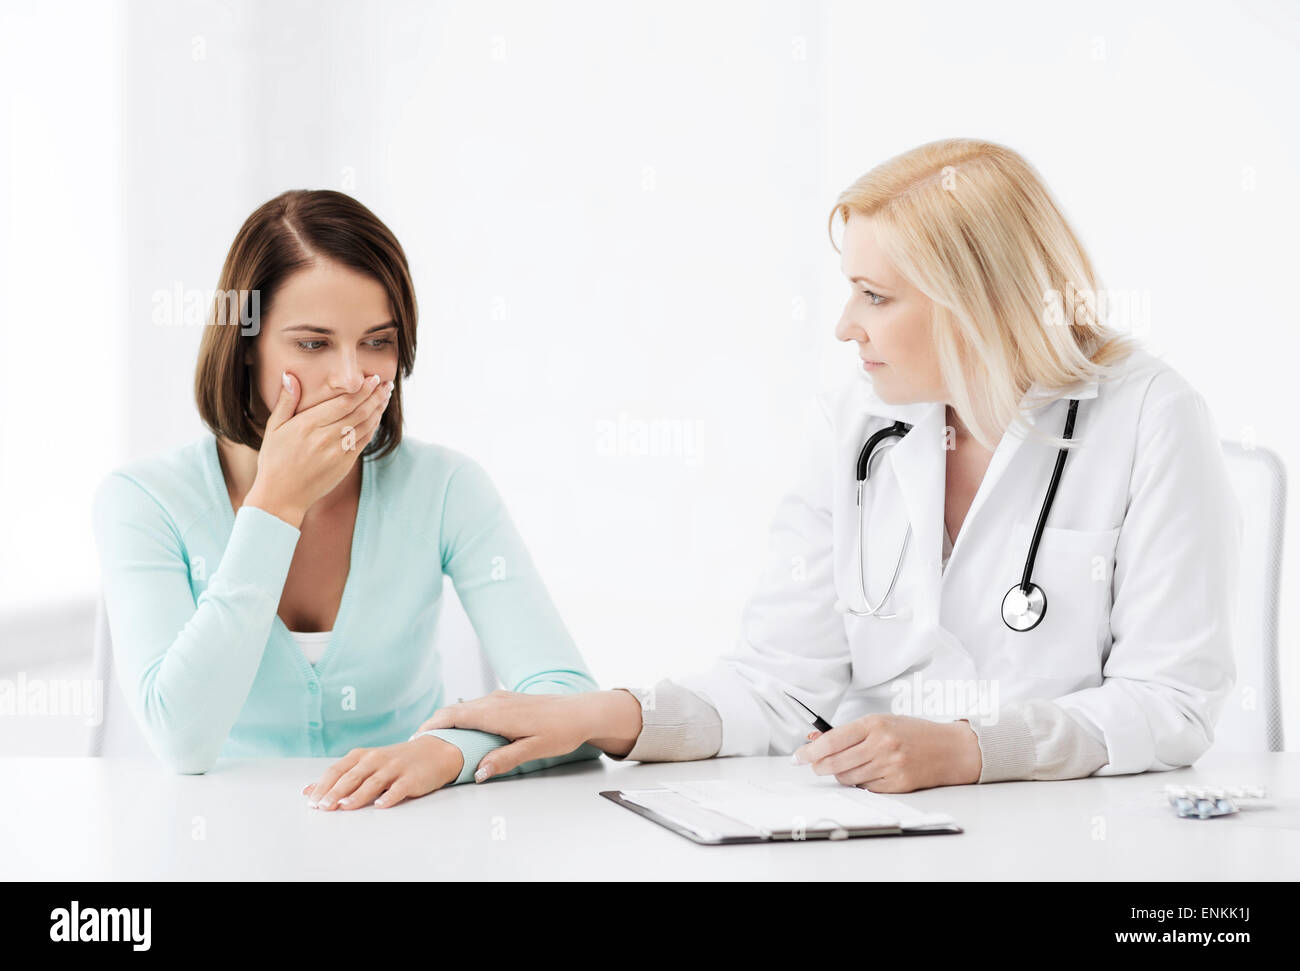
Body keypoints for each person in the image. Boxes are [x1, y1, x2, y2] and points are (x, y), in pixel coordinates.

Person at [415, 138, 1243, 793]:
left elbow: (1169, 705)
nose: (847, 326)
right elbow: (780, 687)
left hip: (1073, 838)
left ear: (977, 299)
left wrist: (971, 750)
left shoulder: (1151, 418)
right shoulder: (860, 424)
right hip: (881, 832)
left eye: (875, 296)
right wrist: (610, 715)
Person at [92, 189, 601, 808]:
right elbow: (183, 741)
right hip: (218, 846)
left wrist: (444, 754)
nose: (351, 377)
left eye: (377, 342)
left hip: (406, 837)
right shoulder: (143, 500)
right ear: (245, 345)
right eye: (312, 344)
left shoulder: (445, 488)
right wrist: (275, 503)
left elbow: (571, 705)